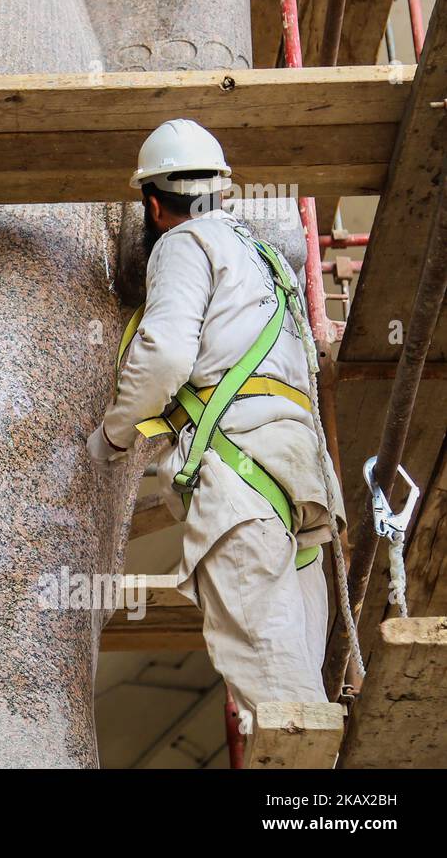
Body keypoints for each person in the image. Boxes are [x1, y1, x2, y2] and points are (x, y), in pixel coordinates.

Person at [88, 119, 345, 732]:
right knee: (302, 701)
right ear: (221, 189)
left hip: (240, 490)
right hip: (300, 483)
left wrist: (114, 434)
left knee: (284, 716)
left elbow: (168, 353)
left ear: (152, 203)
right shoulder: (263, 258)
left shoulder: (184, 244)